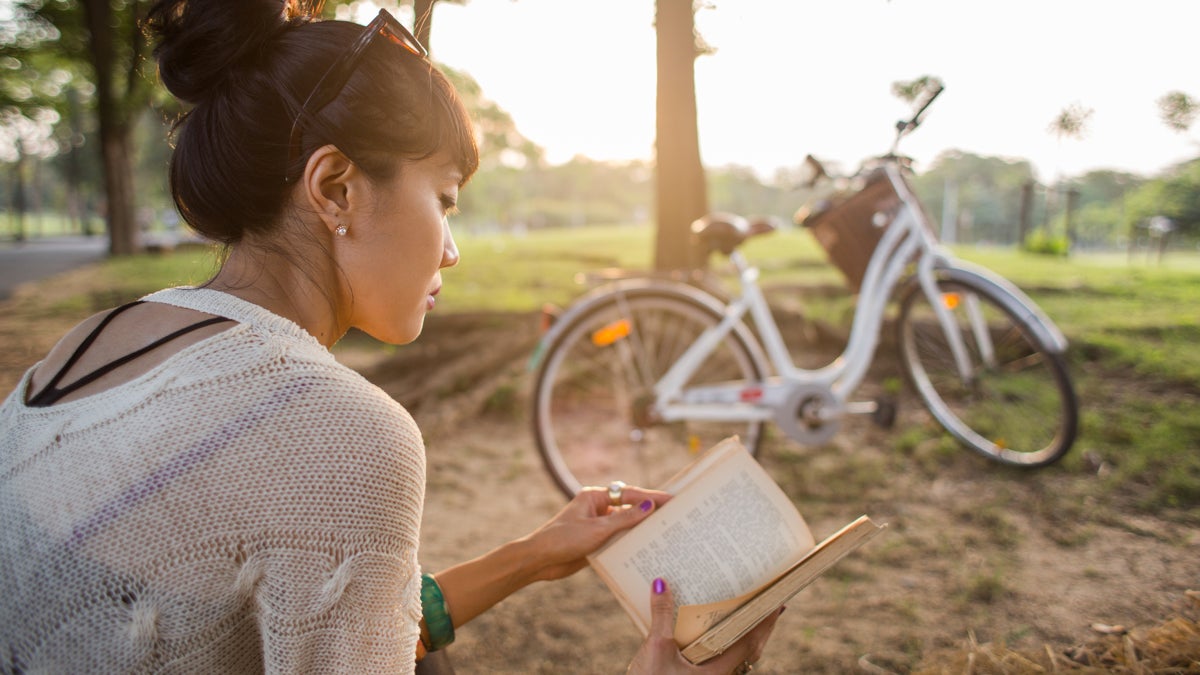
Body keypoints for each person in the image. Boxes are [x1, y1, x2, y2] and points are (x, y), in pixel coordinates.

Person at [0, 0, 781, 673]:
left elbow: (332, 614)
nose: (451, 249)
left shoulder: (89, 345)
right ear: (335, 187)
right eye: (444, 197)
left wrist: (530, 556)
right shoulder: (335, 428)